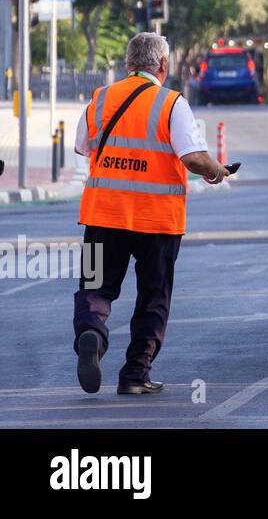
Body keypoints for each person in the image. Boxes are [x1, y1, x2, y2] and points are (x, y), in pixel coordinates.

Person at [71, 32, 229, 396]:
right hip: (156, 222)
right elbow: (191, 157)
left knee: (94, 287)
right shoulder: (172, 104)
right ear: (163, 65)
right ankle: (135, 374)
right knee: (153, 297)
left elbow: (82, 147)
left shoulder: (99, 99)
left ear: (129, 64)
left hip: (100, 218)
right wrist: (216, 170)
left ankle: (91, 332)